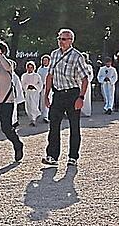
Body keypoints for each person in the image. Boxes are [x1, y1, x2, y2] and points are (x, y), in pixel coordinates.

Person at [43, 28, 88, 167]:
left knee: (74, 126)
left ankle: (73, 157)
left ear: (71, 41)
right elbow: (50, 75)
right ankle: (52, 156)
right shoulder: (54, 54)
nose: (60, 42)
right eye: (59, 38)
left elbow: (85, 78)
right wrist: (46, 95)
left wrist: (81, 97)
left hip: (72, 94)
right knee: (53, 125)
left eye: (63, 39)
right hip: (58, 94)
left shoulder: (77, 56)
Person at [20, 61, 43, 127]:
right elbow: (23, 84)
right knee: (28, 106)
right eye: (28, 67)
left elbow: (40, 84)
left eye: (31, 67)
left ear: (34, 68)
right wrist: (27, 86)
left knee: (34, 105)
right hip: (28, 92)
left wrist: (35, 87)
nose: (30, 69)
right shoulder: (24, 75)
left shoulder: (37, 75)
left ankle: (34, 119)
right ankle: (31, 118)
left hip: (35, 93)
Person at [37, 55, 52, 122]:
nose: (45, 62)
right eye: (44, 60)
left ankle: (48, 115)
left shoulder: (51, 69)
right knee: (43, 102)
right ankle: (44, 115)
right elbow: (38, 78)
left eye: (46, 60)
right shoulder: (40, 69)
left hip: (50, 87)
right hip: (42, 87)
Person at [80, 52, 95, 118]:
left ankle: (87, 112)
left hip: (86, 84)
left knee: (86, 98)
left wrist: (87, 80)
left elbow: (90, 75)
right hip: (79, 84)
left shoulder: (89, 66)